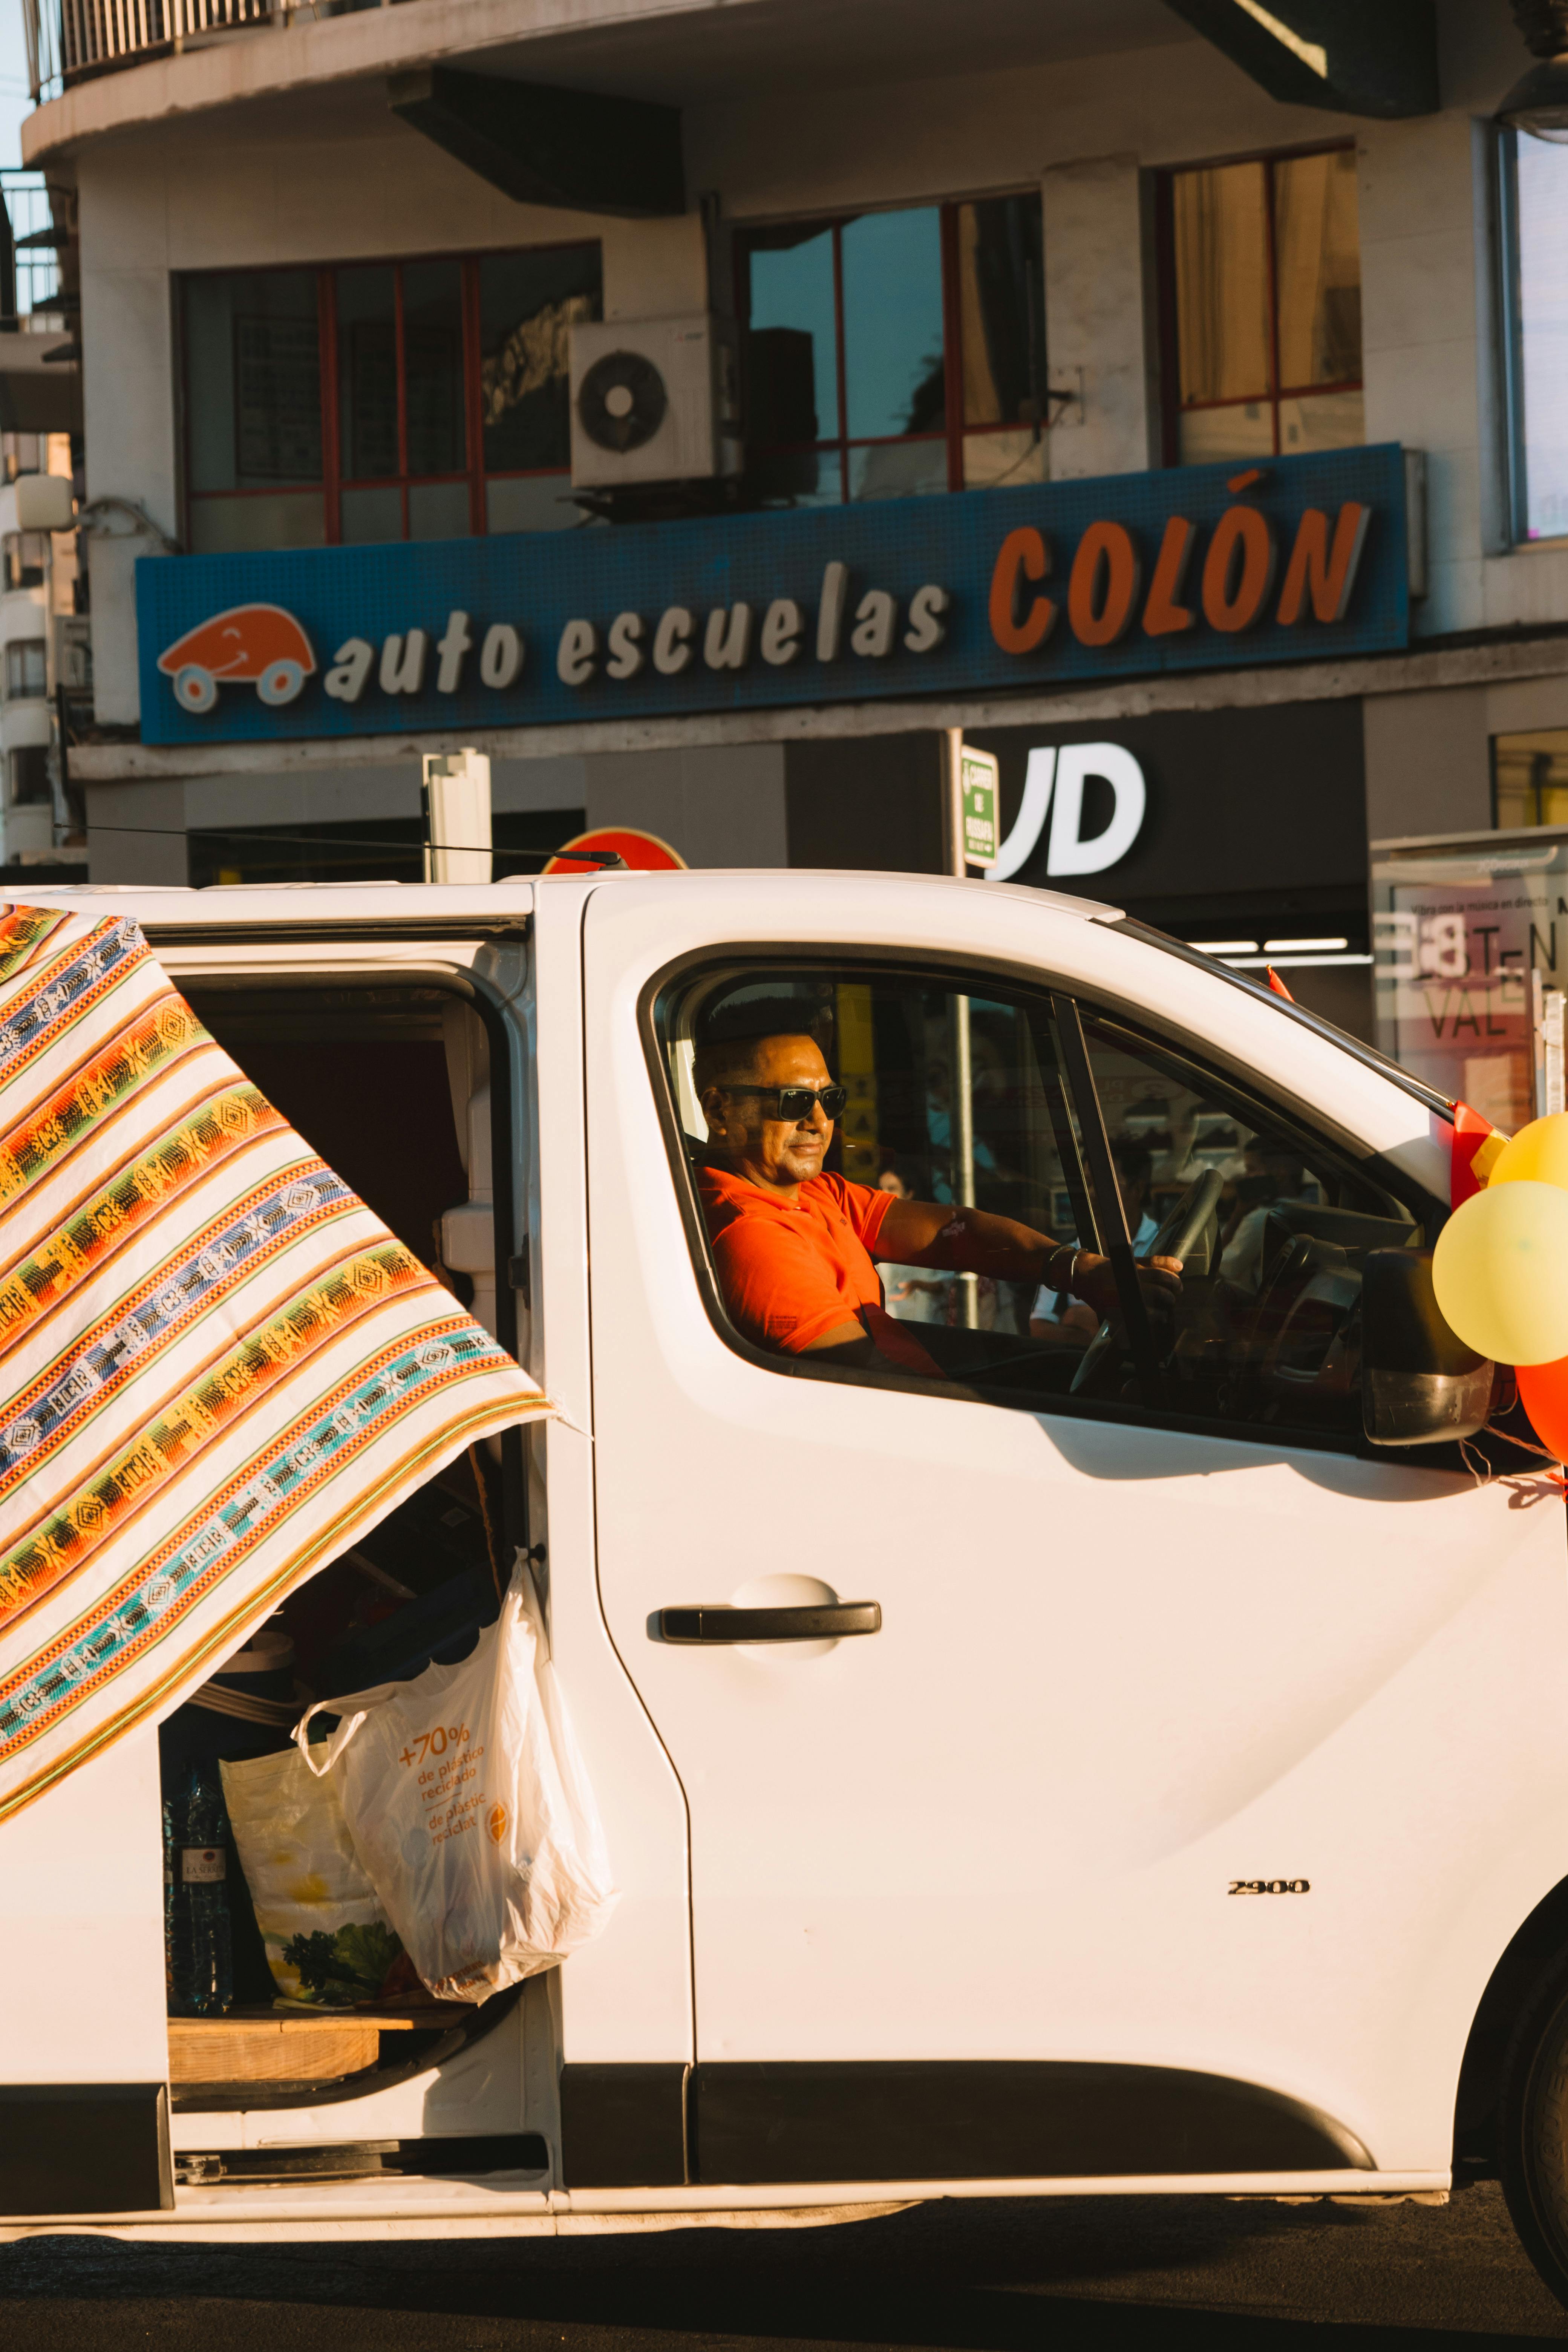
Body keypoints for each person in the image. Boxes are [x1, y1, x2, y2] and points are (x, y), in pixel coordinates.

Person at [692, 1009, 1180, 1376]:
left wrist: (1081, 1270)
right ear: (719, 1112)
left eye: (829, 1099)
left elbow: (952, 1232)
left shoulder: (815, 1192)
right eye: (794, 1101)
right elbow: (873, 1396)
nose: (820, 1121)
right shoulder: (750, 1233)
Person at [1028, 1137, 1161, 1347]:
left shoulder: (1163, 1246)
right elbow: (1040, 1327)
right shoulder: (1068, 1254)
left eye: (1104, 1185)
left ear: (1138, 1189)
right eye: (1088, 1183)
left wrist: (1079, 1318)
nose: (1091, 1193)